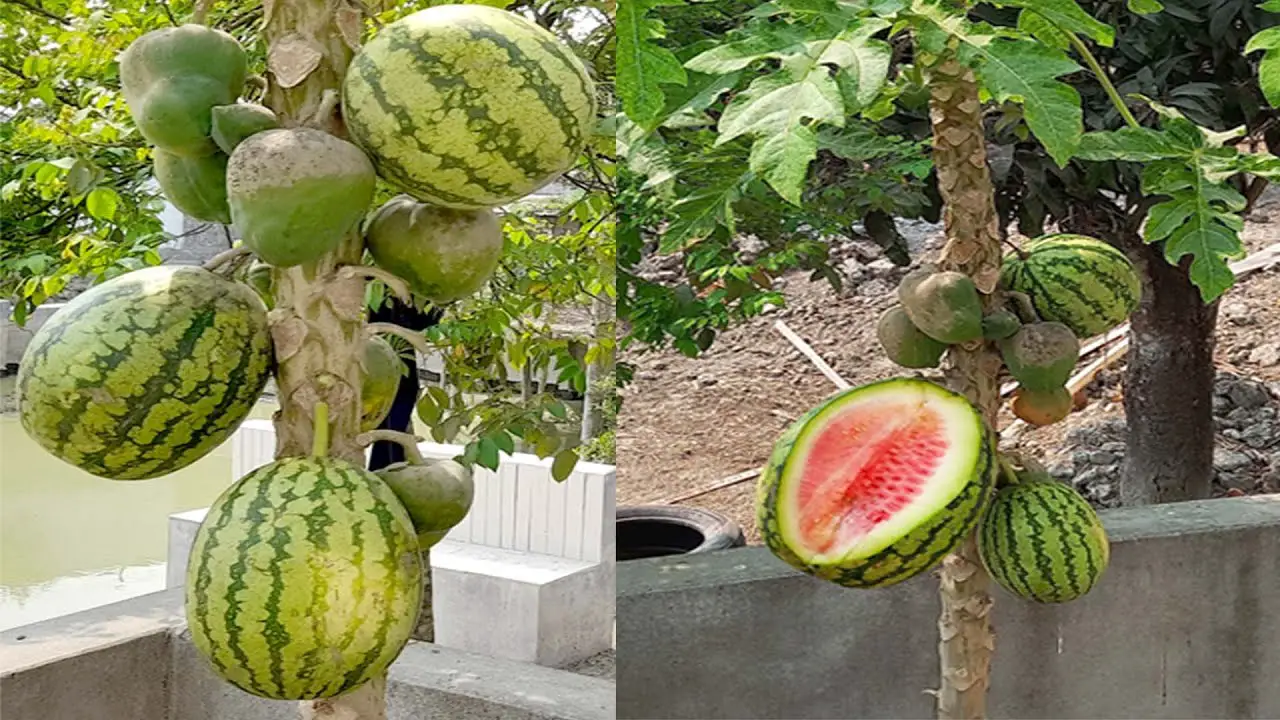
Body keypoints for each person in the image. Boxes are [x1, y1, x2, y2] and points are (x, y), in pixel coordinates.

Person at [366, 296, 443, 472]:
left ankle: (385, 473)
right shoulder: (382, 286)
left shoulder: (421, 289)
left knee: (393, 431)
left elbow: (426, 325)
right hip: (381, 355)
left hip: (396, 358)